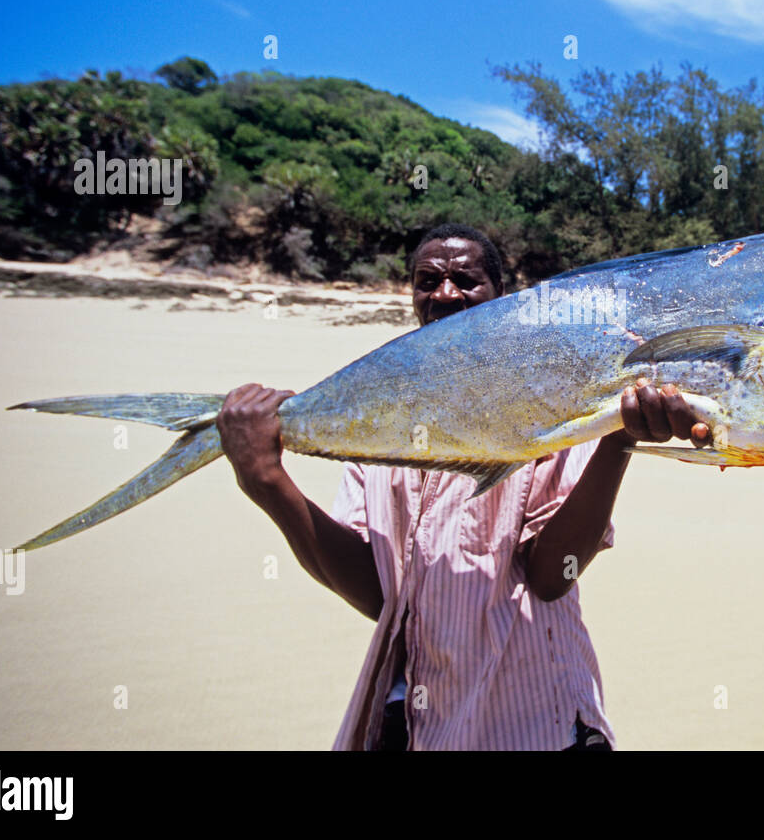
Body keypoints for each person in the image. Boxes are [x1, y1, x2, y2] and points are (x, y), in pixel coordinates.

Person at [216, 223, 709, 750]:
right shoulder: (383, 419)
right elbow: (378, 593)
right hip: (411, 721)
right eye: (427, 281)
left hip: (533, 723)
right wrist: (267, 482)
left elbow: (551, 577)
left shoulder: (551, 401)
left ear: (500, 295)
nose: (444, 294)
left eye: (464, 280)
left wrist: (619, 439)